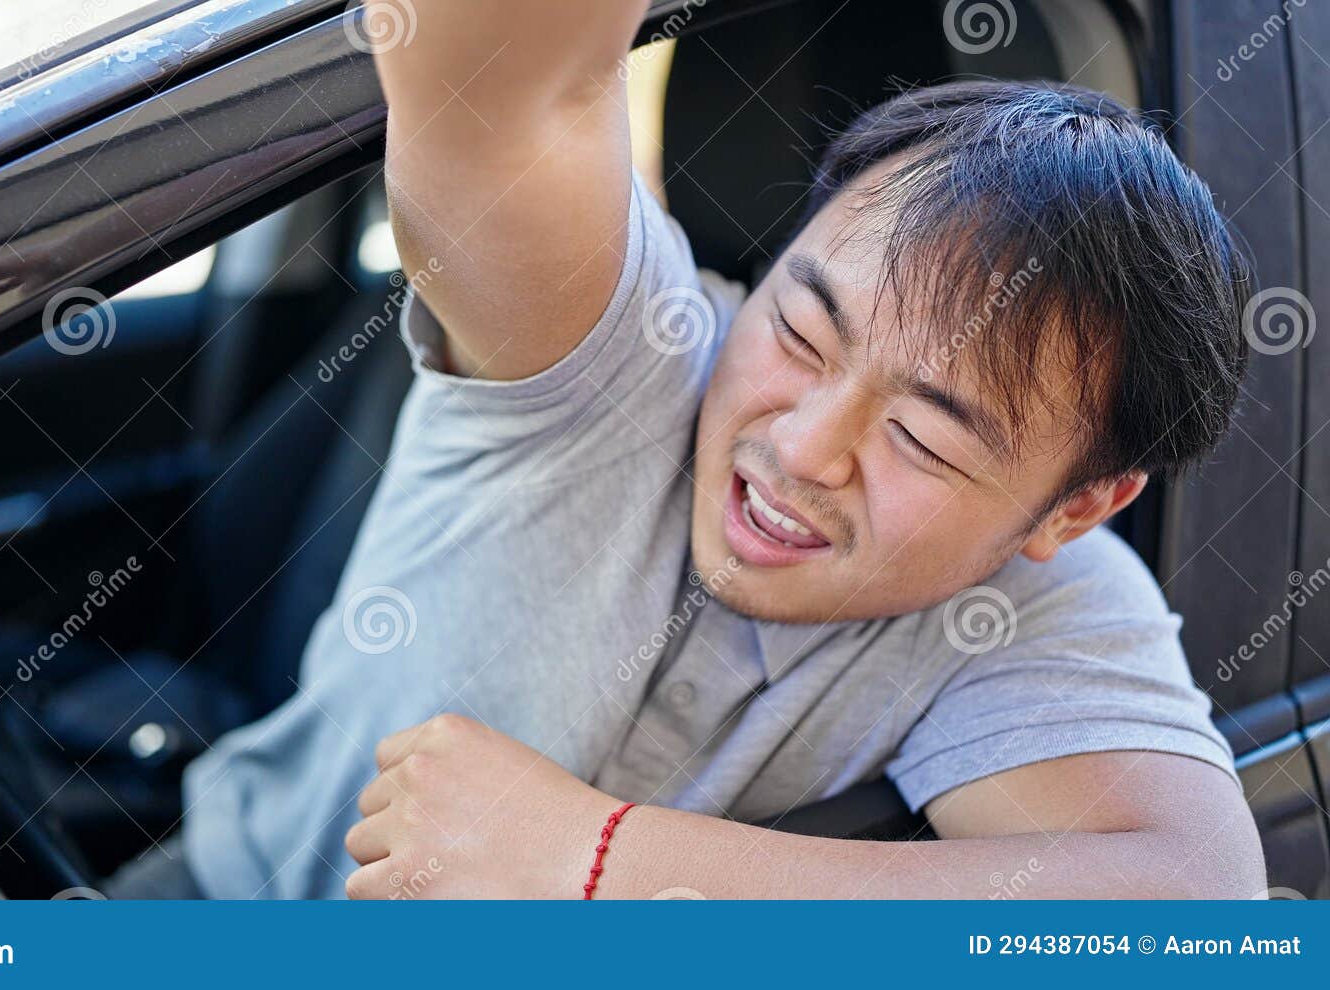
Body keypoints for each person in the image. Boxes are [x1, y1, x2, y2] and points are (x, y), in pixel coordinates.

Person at [115, 0, 1265, 899]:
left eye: (918, 435)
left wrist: (602, 861)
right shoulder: (634, 354)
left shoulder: (1037, 601)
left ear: (1072, 511)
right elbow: (506, 93)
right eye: (802, 331)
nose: (803, 446)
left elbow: (1193, 918)